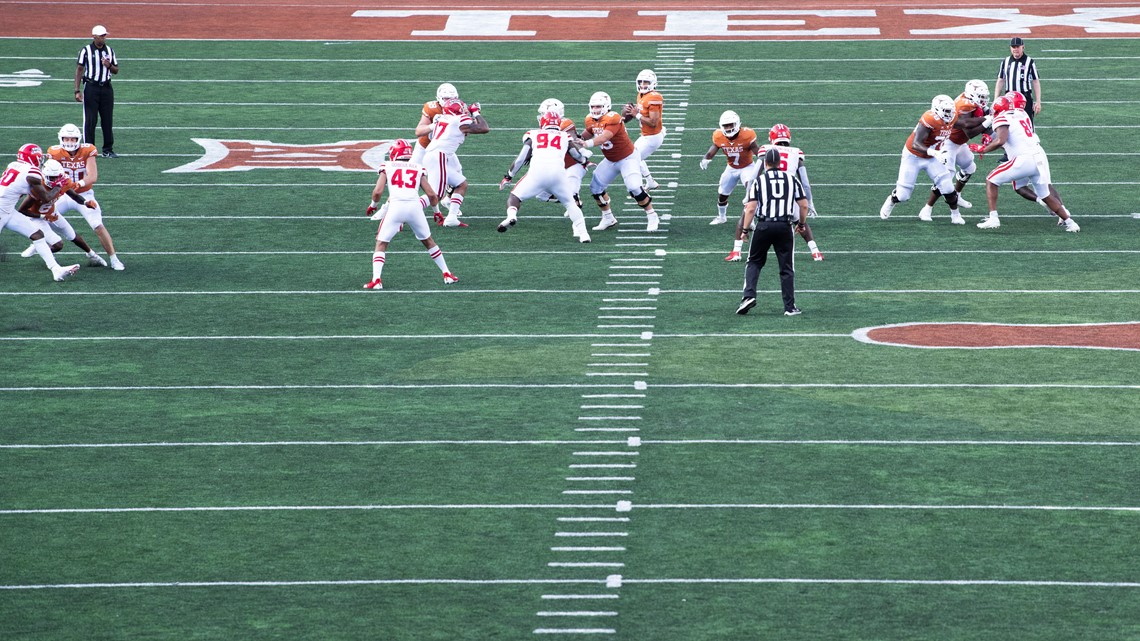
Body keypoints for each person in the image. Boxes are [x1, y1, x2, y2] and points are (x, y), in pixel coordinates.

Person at [19, 123, 123, 269]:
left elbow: (92, 176)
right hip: (61, 194)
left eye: (73, 139)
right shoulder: (54, 153)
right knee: (44, 218)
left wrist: (77, 184)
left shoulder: (88, 150)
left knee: (97, 225)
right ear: (61, 139)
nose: (69, 142)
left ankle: (114, 258)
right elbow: (47, 172)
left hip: (83, 193)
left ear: (78, 139)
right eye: (66, 139)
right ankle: (36, 244)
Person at [973, 92, 1079, 232]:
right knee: (1045, 195)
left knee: (991, 180)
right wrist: (990, 139)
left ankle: (993, 218)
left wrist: (983, 149)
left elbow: (1001, 140)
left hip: (1024, 159)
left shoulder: (1001, 117)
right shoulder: (1022, 115)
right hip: (1038, 155)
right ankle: (1070, 222)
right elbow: (1013, 135)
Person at [362, 139, 456, 289]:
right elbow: (432, 194)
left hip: (396, 208)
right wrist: (436, 212)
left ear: (394, 153)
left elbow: (378, 191)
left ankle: (377, 280)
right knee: (428, 241)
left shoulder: (387, 166)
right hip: (415, 208)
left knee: (381, 243)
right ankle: (447, 273)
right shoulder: (418, 168)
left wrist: (373, 205)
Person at [498, 111, 592, 242]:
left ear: (543, 122)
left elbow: (521, 159)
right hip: (558, 174)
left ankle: (511, 216)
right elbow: (575, 154)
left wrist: (509, 176)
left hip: (537, 173)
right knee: (570, 204)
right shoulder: (564, 136)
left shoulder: (533, 134)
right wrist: (584, 161)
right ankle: (583, 234)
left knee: (515, 196)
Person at [736, 148, 808, 316]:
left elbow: (751, 208)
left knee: (754, 262)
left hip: (764, 226)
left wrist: (745, 230)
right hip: (784, 226)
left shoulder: (759, 181)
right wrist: (802, 224)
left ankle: (748, 296)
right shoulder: (791, 179)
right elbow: (804, 205)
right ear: (780, 164)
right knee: (787, 268)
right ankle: (789, 307)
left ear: (765, 163)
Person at [0, 144, 86, 281]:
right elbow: (46, 198)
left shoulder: (13, 165)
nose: (40, 160)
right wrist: (59, 185)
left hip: (8, 210)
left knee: (37, 235)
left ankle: (55, 269)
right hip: (2, 211)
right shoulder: (32, 172)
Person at [580, 91, 660, 232]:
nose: (595, 110)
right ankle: (608, 217)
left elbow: (603, 138)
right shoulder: (590, 119)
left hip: (628, 157)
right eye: (593, 107)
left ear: (606, 106)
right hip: (611, 159)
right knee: (595, 188)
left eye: (598, 107)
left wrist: (585, 144)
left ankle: (652, 215)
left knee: (635, 187)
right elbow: (586, 133)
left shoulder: (613, 117)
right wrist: (574, 138)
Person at [879, 95, 966, 224]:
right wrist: (935, 153)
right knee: (903, 195)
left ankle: (955, 215)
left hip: (933, 156)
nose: (950, 114)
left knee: (947, 186)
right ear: (937, 109)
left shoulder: (952, 117)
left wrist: (987, 120)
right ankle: (892, 199)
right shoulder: (930, 119)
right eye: (946, 111)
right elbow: (916, 144)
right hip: (913, 156)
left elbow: (963, 123)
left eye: (951, 110)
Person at [918, 80, 992, 220]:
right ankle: (927, 208)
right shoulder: (963, 105)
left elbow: (980, 117)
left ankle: (956, 195)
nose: (983, 99)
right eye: (980, 96)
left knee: (970, 167)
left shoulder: (971, 101)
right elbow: (968, 130)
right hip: (949, 143)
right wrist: (988, 120)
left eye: (984, 96)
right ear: (972, 94)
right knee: (946, 176)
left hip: (959, 143)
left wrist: (988, 120)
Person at [414, 98, 489, 227]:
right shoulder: (459, 120)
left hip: (433, 155)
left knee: (461, 184)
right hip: (439, 156)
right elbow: (484, 128)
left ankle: (452, 218)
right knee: (435, 195)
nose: (464, 110)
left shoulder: (442, 118)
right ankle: (406, 213)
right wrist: (476, 113)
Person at [16, 159, 106, 267]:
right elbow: (22, 210)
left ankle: (92, 255)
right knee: (58, 245)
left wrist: (85, 202)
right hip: (36, 218)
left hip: (51, 212)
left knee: (72, 235)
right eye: (52, 177)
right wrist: (43, 216)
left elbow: (74, 195)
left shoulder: (63, 181)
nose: (55, 180)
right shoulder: (38, 187)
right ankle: (41, 248)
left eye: (57, 176)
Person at [758, 124, 823, 261]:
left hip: (768, 192)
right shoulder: (796, 152)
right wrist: (810, 202)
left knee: (751, 216)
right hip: (789, 191)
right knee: (800, 221)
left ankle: (738, 249)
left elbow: (754, 175)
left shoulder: (766, 149)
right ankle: (815, 251)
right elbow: (805, 182)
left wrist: (749, 196)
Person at [699, 110, 760, 231]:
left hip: (747, 167)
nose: (728, 127)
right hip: (731, 167)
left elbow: (756, 150)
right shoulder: (718, 135)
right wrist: (706, 157)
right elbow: (715, 146)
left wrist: (765, 162)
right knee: (722, 193)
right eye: (725, 125)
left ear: (737, 124)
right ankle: (722, 217)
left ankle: (751, 220)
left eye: (730, 124)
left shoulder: (747, 134)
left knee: (751, 190)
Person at [75, 25, 119, 158]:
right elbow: (79, 70)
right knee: (90, 120)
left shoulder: (110, 51)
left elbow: (116, 70)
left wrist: (109, 65)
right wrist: (77, 90)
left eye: (104, 35)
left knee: (107, 120)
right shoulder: (86, 51)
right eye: (101, 36)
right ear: (94, 37)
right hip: (91, 87)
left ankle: (108, 149)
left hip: (106, 88)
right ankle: (89, 150)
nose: (103, 38)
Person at [627, 69, 665, 191]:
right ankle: (650, 182)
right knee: (634, 156)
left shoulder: (654, 97)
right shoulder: (641, 95)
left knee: (632, 159)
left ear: (653, 83)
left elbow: (653, 122)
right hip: (646, 135)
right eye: (641, 81)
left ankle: (639, 188)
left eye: (646, 82)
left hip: (652, 137)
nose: (643, 84)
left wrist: (636, 114)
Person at [996, 37, 1041, 122]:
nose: (1016, 49)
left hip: (1025, 98)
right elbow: (1000, 80)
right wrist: (996, 99)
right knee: (1009, 123)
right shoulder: (1005, 61)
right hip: (1009, 98)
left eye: (1018, 47)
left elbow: (1035, 81)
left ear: (1022, 47)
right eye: (1013, 47)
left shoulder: (1029, 61)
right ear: (1010, 48)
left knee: (1027, 123)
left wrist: (1038, 101)